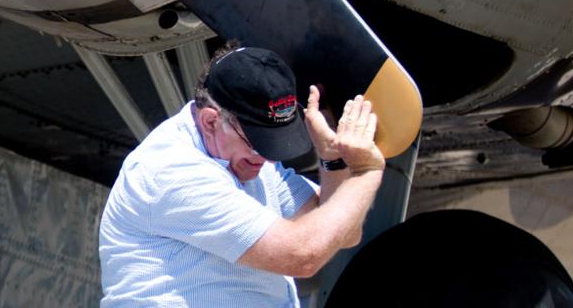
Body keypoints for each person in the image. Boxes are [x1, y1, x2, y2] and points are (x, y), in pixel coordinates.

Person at [99, 46, 386, 306]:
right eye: (256, 142)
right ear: (211, 121)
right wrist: (366, 172)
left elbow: (343, 232)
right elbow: (302, 255)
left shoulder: (254, 162)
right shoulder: (171, 170)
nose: (267, 157)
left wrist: (333, 160)